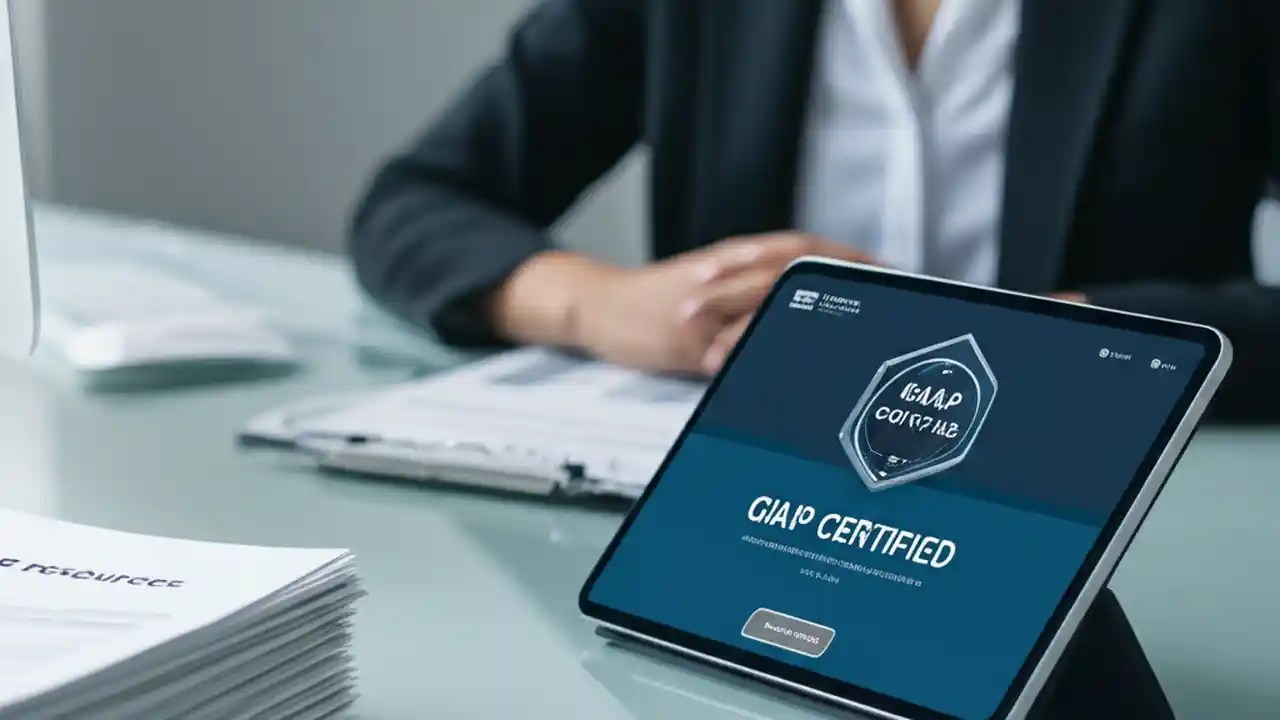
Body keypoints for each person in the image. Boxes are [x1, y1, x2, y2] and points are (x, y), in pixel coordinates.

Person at [350, 0, 1279, 421]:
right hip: (754, 498)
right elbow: (415, 203)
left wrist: (1041, 344)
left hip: (1109, 514)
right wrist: (603, 306)